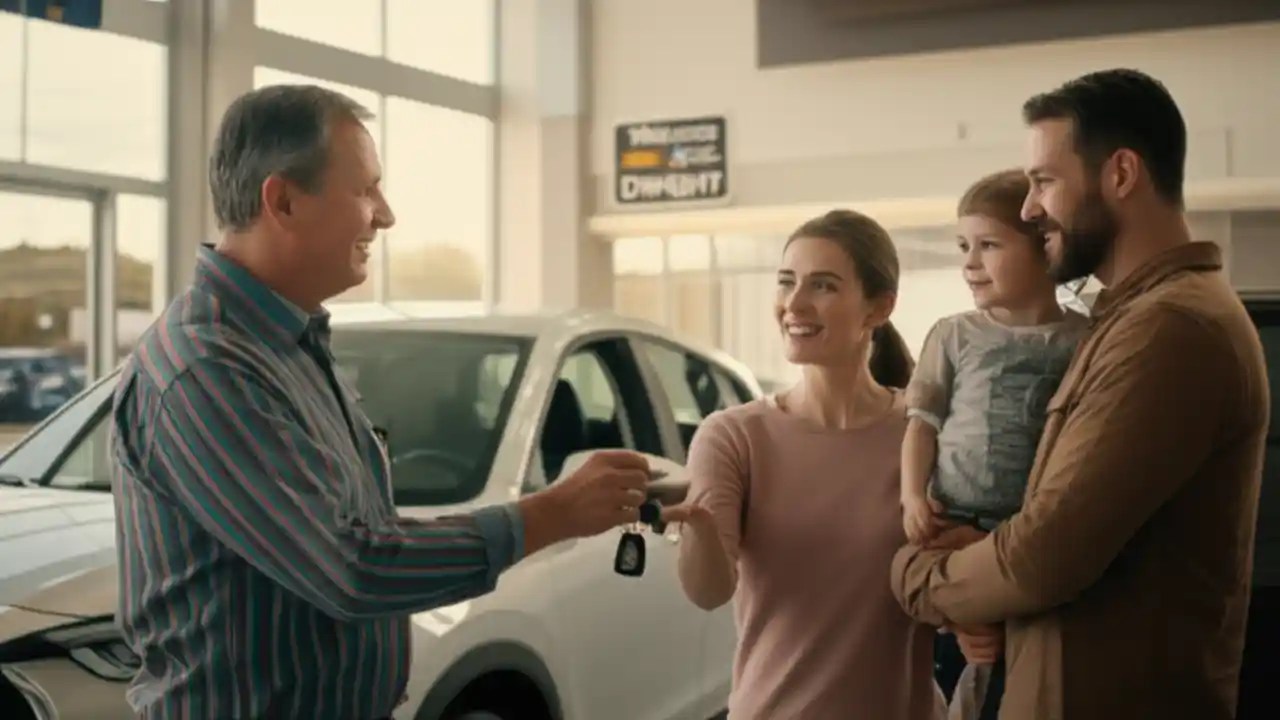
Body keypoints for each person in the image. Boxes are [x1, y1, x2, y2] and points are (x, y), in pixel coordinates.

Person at [110, 85, 652, 720]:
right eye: (366, 189)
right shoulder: (208, 369)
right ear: (282, 200)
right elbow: (350, 567)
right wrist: (549, 515)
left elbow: (360, 535)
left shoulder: (292, 345)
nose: (385, 215)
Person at [890, 68, 1270, 719]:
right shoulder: (1127, 318)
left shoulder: (1170, 327)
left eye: (1044, 181)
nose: (1032, 210)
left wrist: (913, 576)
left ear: (1120, 175)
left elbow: (1043, 558)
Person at [661, 209, 937, 719]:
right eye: (786, 281)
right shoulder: (734, 437)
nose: (794, 303)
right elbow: (707, 592)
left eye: (823, 286)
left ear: (878, 308)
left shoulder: (924, 431)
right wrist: (699, 526)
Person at [900, 168, 1090, 720]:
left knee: (1013, 652)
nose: (969, 263)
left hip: (1029, 529)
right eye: (963, 246)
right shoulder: (954, 333)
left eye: (989, 245)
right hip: (952, 512)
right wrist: (913, 496)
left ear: (1044, 247)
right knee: (964, 643)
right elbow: (922, 422)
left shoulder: (1082, 337)